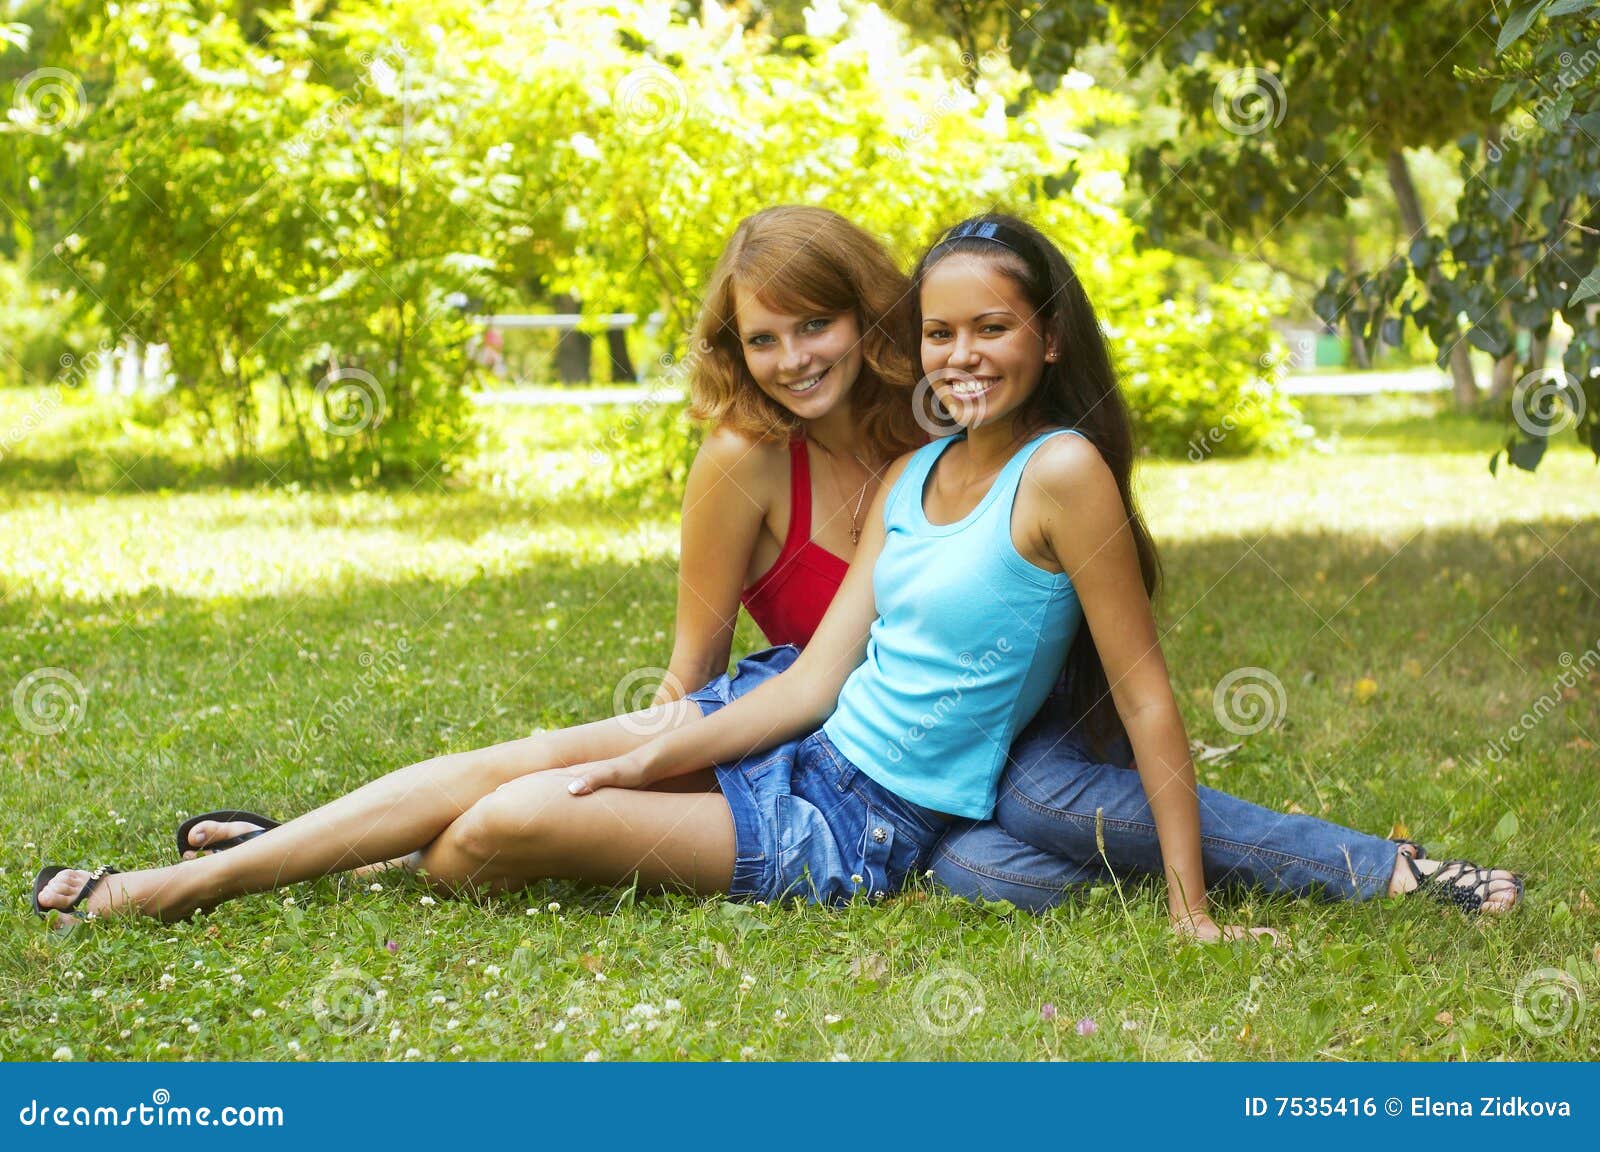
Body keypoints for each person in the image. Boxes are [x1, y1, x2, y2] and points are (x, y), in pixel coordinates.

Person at [34, 214, 1522, 931]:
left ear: (874, 322)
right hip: (792, 726)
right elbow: (776, 676)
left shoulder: (995, 452)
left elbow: (1128, 680)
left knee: (484, 837)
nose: (797, 356)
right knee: (519, 779)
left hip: (891, 788)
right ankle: (198, 881)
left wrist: (1188, 907)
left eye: (820, 324)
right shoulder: (823, 469)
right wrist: (648, 749)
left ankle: (1388, 870)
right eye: (765, 338)